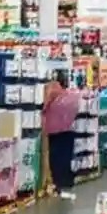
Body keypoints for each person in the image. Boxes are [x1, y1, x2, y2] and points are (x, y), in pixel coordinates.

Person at [43, 70, 81, 200]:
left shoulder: (52, 92)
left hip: (54, 131)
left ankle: (57, 182)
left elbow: (45, 107)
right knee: (66, 157)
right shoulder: (72, 96)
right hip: (69, 129)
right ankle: (66, 180)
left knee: (56, 158)